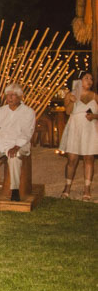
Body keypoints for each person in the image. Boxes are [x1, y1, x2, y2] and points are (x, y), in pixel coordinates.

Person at [0, 83, 36, 201]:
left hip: (19, 144)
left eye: (13, 95)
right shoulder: (0, 111)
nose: (9, 98)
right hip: (1, 145)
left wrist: (16, 146)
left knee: (14, 157)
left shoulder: (28, 112)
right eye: (8, 95)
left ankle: (15, 190)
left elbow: (27, 132)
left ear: (20, 97)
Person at [58, 72, 98, 200]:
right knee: (72, 159)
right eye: (86, 78)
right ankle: (67, 187)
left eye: (91, 79)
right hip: (75, 128)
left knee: (89, 158)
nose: (89, 81)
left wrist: (94, 116)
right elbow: (68, 111)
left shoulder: (95, 96)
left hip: (89, 129)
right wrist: (70, 101)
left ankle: (87, 188)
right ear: (79, 80)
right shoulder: (71, 94)